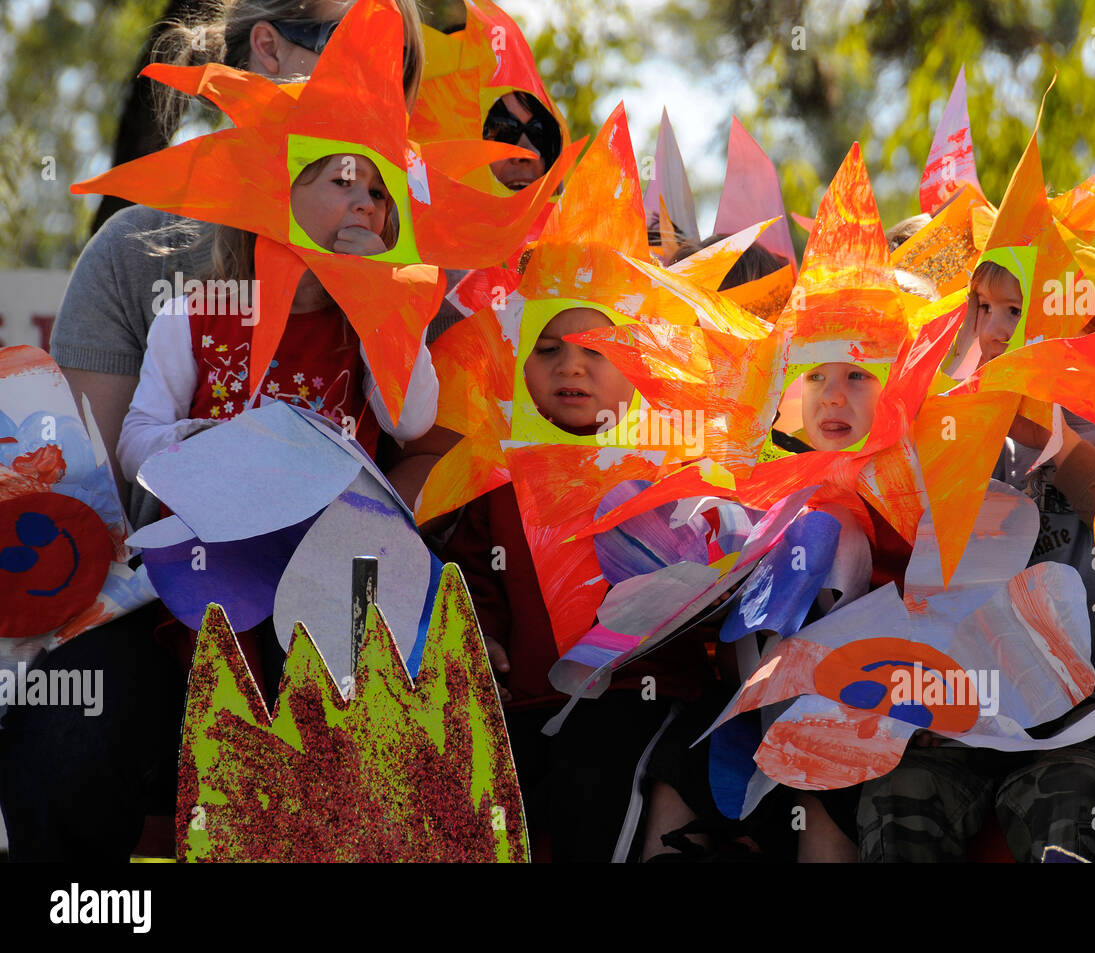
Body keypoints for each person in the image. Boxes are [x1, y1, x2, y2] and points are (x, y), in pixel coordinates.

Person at [1, 0, 427, 863]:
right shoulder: (142, 260)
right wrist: (213, 463)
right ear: (267, 48)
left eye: (398, 75)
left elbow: (429, 439)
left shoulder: (409, 260)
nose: (377, 94)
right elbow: (94, 493)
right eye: (353, 53)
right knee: (72, 719)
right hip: (171, 595)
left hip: (353, 593)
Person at [856, 257, 1095, 863]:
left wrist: (1057, 443)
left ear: (1088, 319)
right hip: (972, 708)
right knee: (897, 799)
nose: (996, 331)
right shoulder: (951, 434)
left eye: (1019, 311)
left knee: (1073, 806)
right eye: (983, 309)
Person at [439, 304, 711, 862]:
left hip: (635, 694)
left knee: (597, 790)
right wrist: (481, 638)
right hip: (524, 702)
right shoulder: (499, 472)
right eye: (548, 349)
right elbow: (471, 578)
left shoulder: (676, 468)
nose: (570, 367)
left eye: (595, 349)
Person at [117, 151, 438, 484]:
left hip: (329, 533)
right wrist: (198, 441)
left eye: (378, 194)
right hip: (210, 531)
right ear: (276, 194)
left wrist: (383, 302)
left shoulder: (378, 320)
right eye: (343, 181)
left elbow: (409, 422)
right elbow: (132, 447)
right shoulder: (191, 316)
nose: (367, 205)